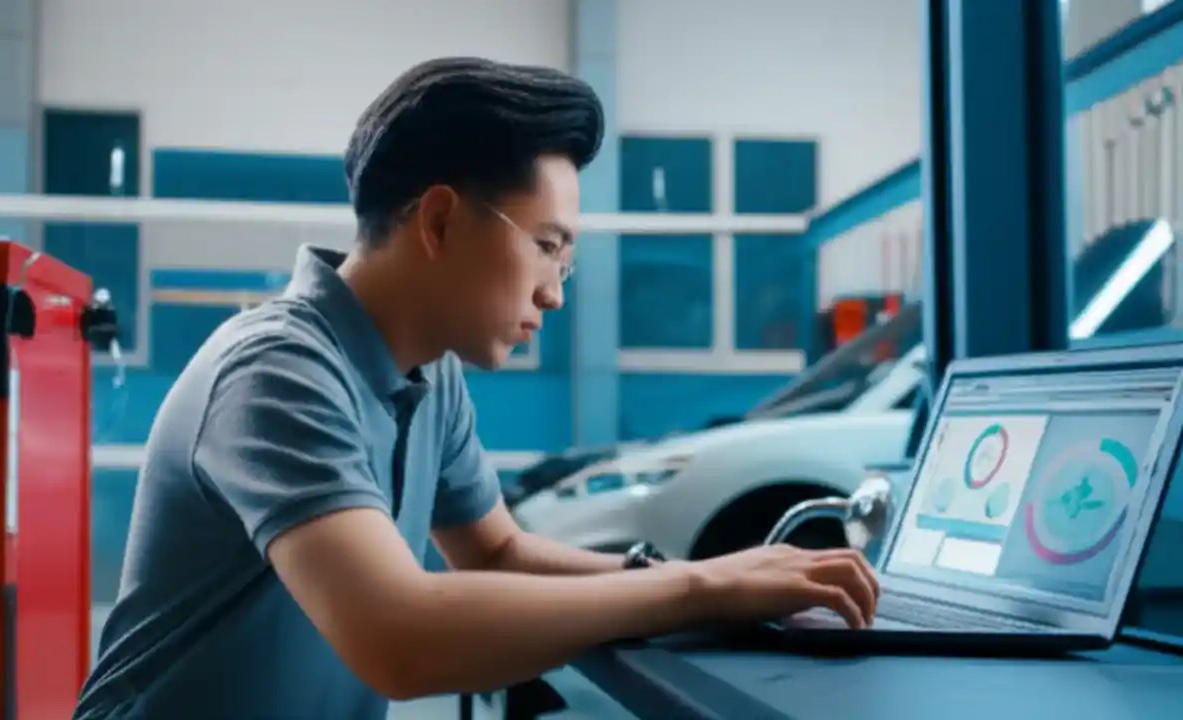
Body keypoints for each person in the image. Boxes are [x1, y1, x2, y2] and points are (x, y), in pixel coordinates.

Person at [73, 56, 879, 720]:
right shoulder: (277, 370)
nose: (556, 293)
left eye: (567, 264)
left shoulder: (431, 373)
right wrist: (695, 587)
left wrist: (711, 581)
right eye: (546, 249)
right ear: (440, 222)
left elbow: (497, 550)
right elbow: (399, 636)